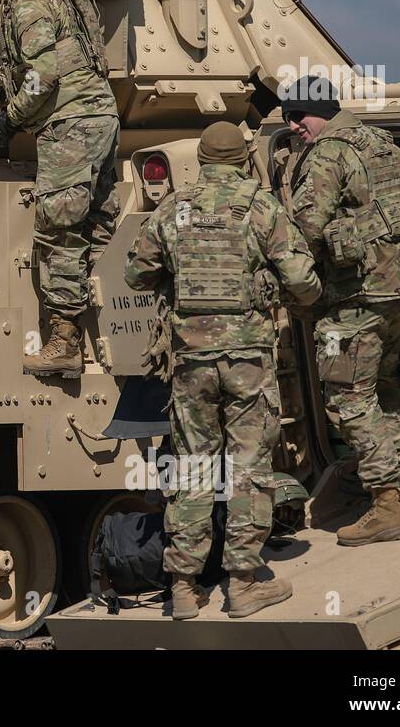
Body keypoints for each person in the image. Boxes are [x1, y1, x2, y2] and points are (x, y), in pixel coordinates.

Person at [124, 122, 321, 619]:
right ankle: (242, 582)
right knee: (248, 469)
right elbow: (301, 278)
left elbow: (137, 274)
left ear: (202, 158)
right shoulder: (261, 207)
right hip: (247, 361)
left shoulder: (174, 207)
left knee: (191, 467)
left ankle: (184, 589)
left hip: (190, 362)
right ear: (243, 158)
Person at [281, 75, 400, 547]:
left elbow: (306, 226)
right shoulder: (381, 144)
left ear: (319, 111)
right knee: (382, 383)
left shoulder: (328, 152)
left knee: (347, 396)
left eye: (298, 116)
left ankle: (385, 504)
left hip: (359, 293)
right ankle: (394, 477)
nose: (293, 126)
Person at [0, 0, 120, 377]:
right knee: (97, 226)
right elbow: (44, 64)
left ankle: (64, 345)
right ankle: (114, 327)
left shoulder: (29, 1)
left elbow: (45, 76)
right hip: (97, 116)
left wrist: (9, 121)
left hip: (70, 124)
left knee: (57, 227)